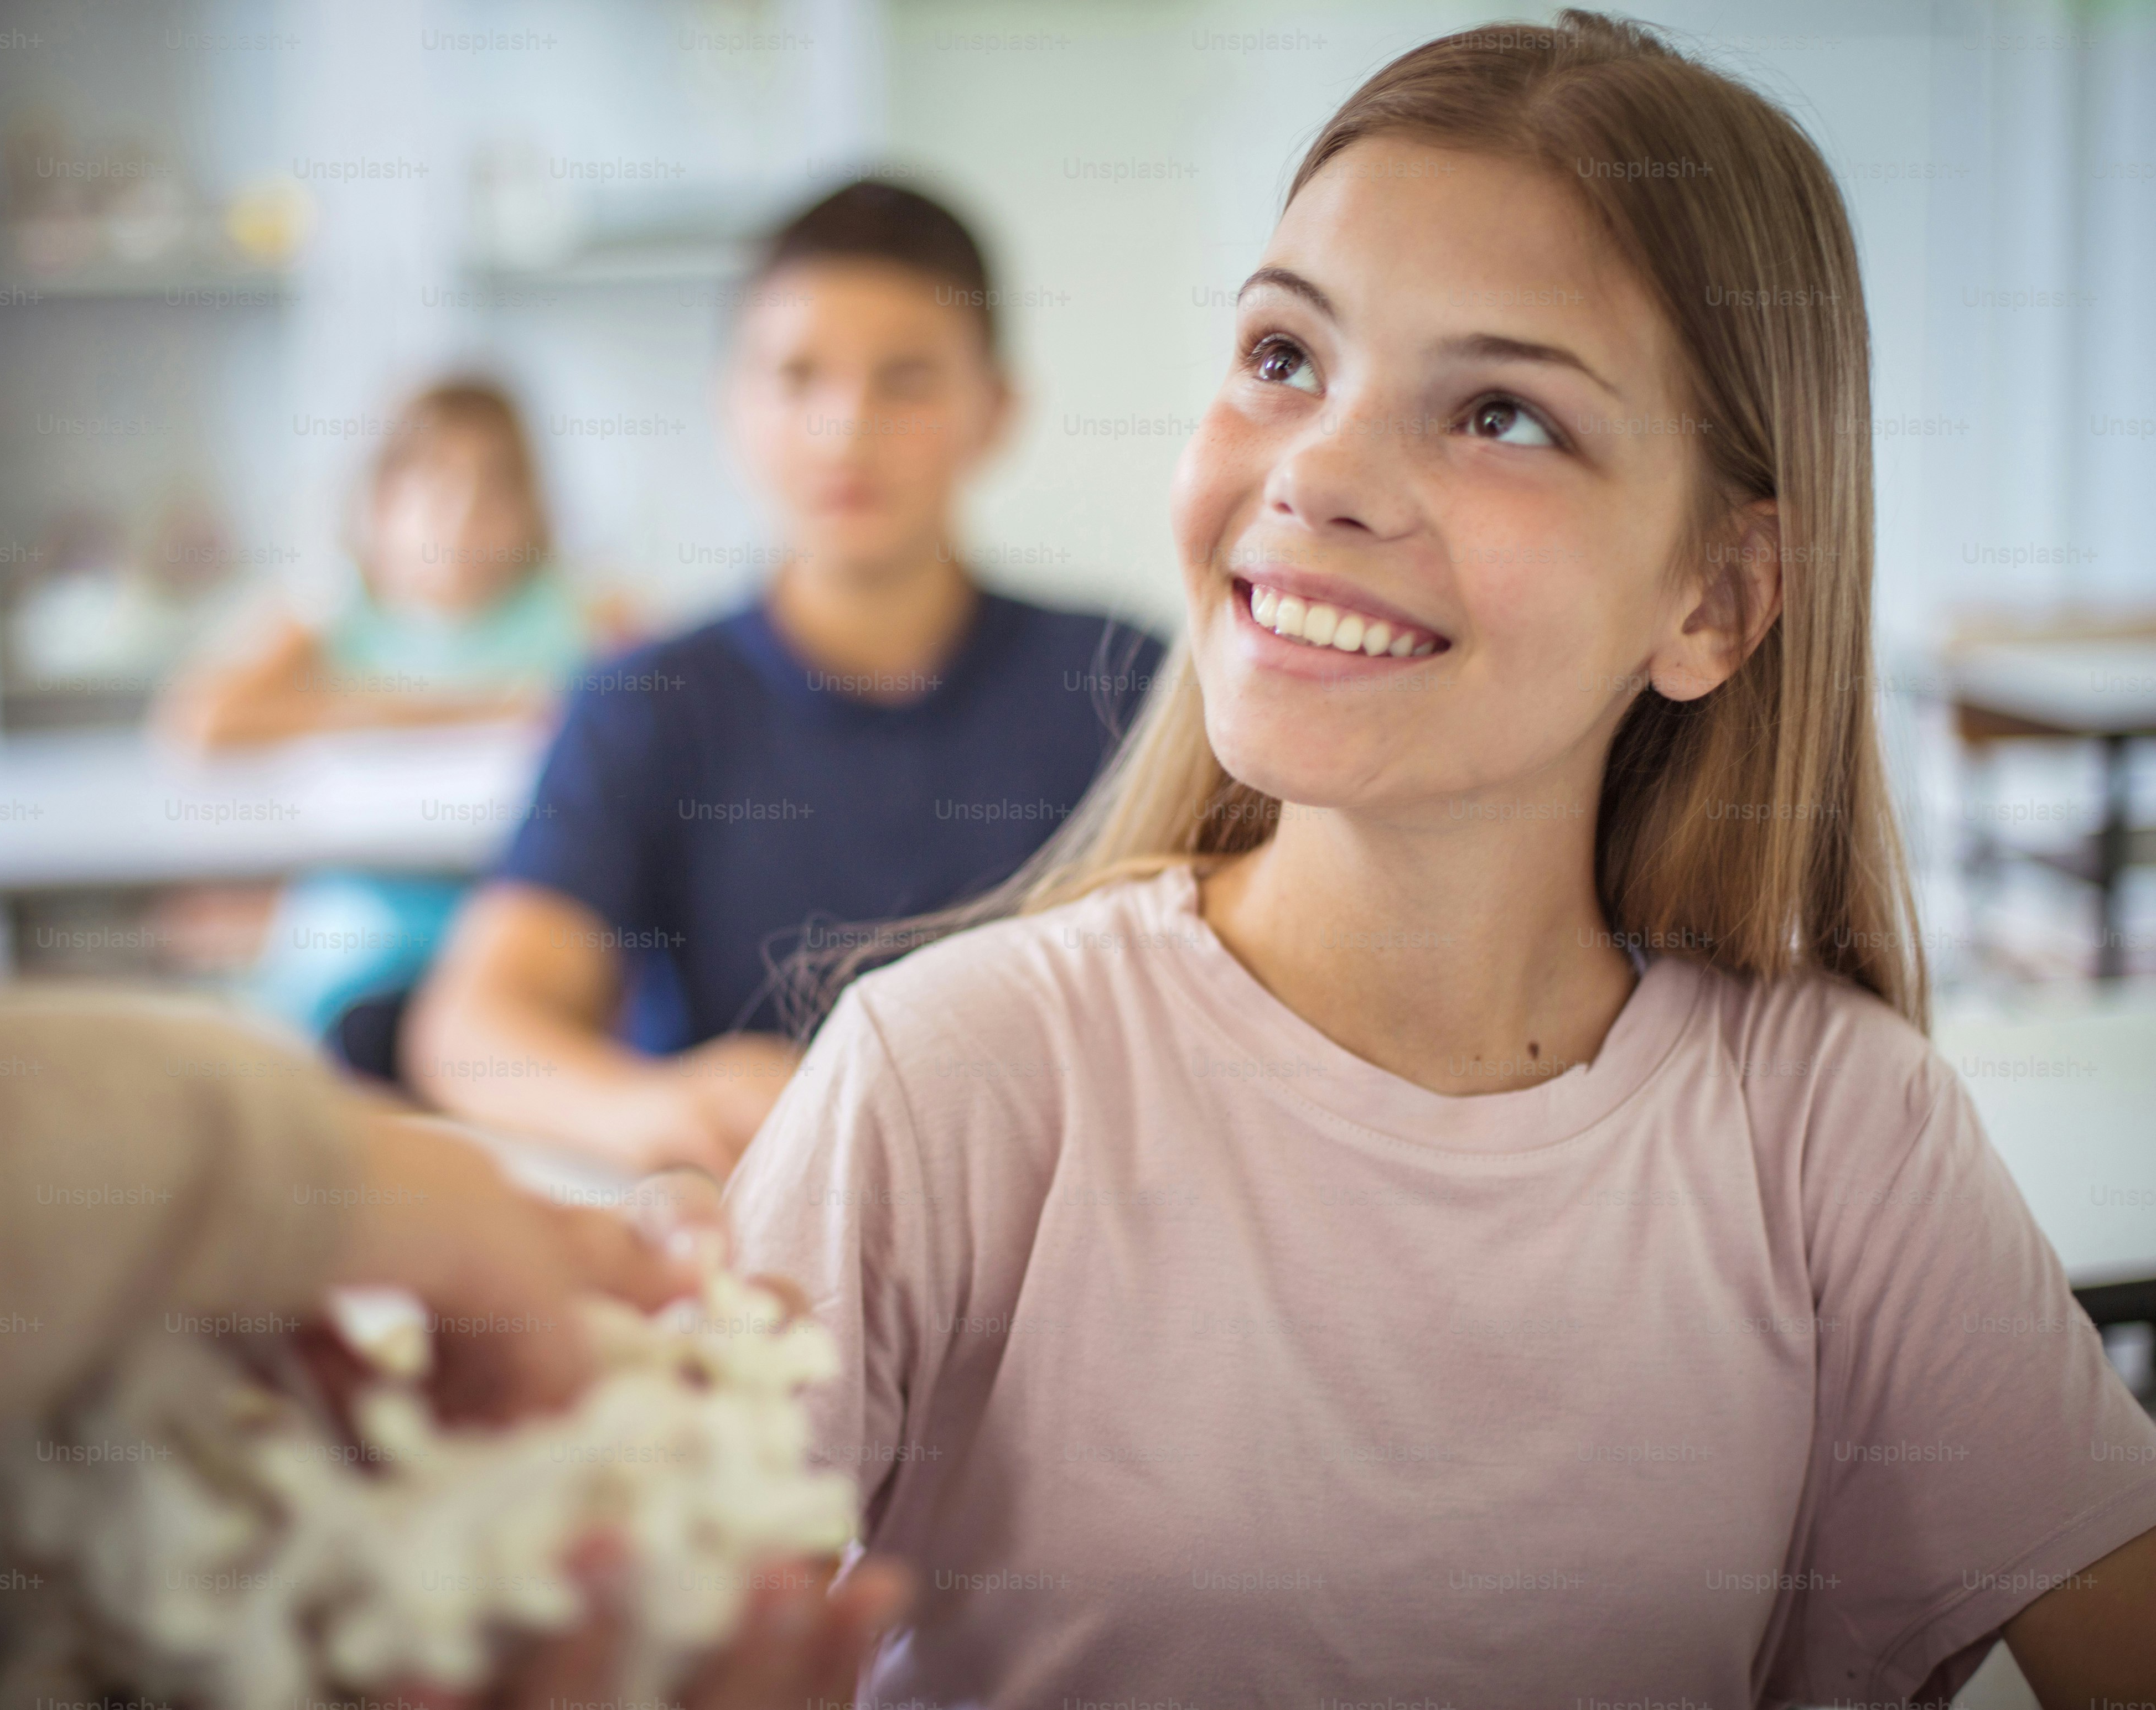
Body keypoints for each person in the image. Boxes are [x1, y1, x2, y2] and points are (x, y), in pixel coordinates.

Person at [724, 14, 2156, 1707]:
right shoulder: (950, 1080)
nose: (1320, 472)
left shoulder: (1837, 1130)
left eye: (1501, 414)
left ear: (1716, 599)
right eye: (1284, 356)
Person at [0, 13, 895, 1707]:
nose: (455, 528)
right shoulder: (378, 626)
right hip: (354, 1013)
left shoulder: (607, 646)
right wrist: (256, 1170)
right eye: (797, 378)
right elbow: (224, 735)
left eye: (487, 493)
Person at [405, 180, 1160, 1177]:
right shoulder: (647, 704)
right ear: (734, 407)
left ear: (996, 410)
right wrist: (650, 1107)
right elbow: (473, 1027)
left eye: (906, 381)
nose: (846, 429)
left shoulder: (1127, 685)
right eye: (799, 377)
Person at [153, 382, 613, 1048]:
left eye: (492, 486)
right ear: (376, 500)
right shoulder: (332, 614)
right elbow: (198, 724)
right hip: (361, 929)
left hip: (515, 917)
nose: (461, 516)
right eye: (432, 483)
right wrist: (458, 710)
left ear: (530, 506)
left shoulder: (579, 612)